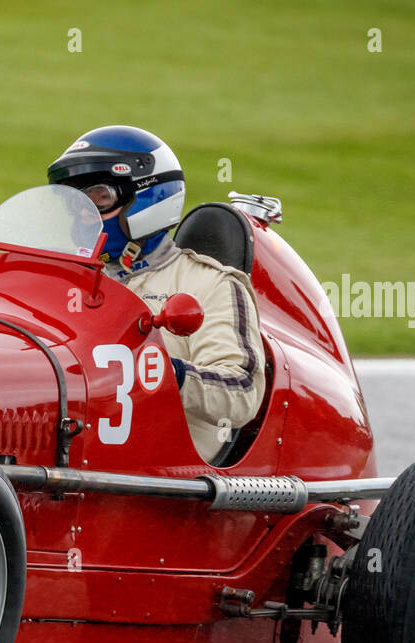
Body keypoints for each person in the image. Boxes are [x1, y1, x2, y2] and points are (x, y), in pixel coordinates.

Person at [47, 126, 265, 463]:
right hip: (72, 448)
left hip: (165, 473)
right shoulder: (66, 280)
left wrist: (169, 373)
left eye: (98, 198)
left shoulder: (210, 284)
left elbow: (242, 393)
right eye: (74, 203)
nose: (83, 214)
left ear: (147, 199)